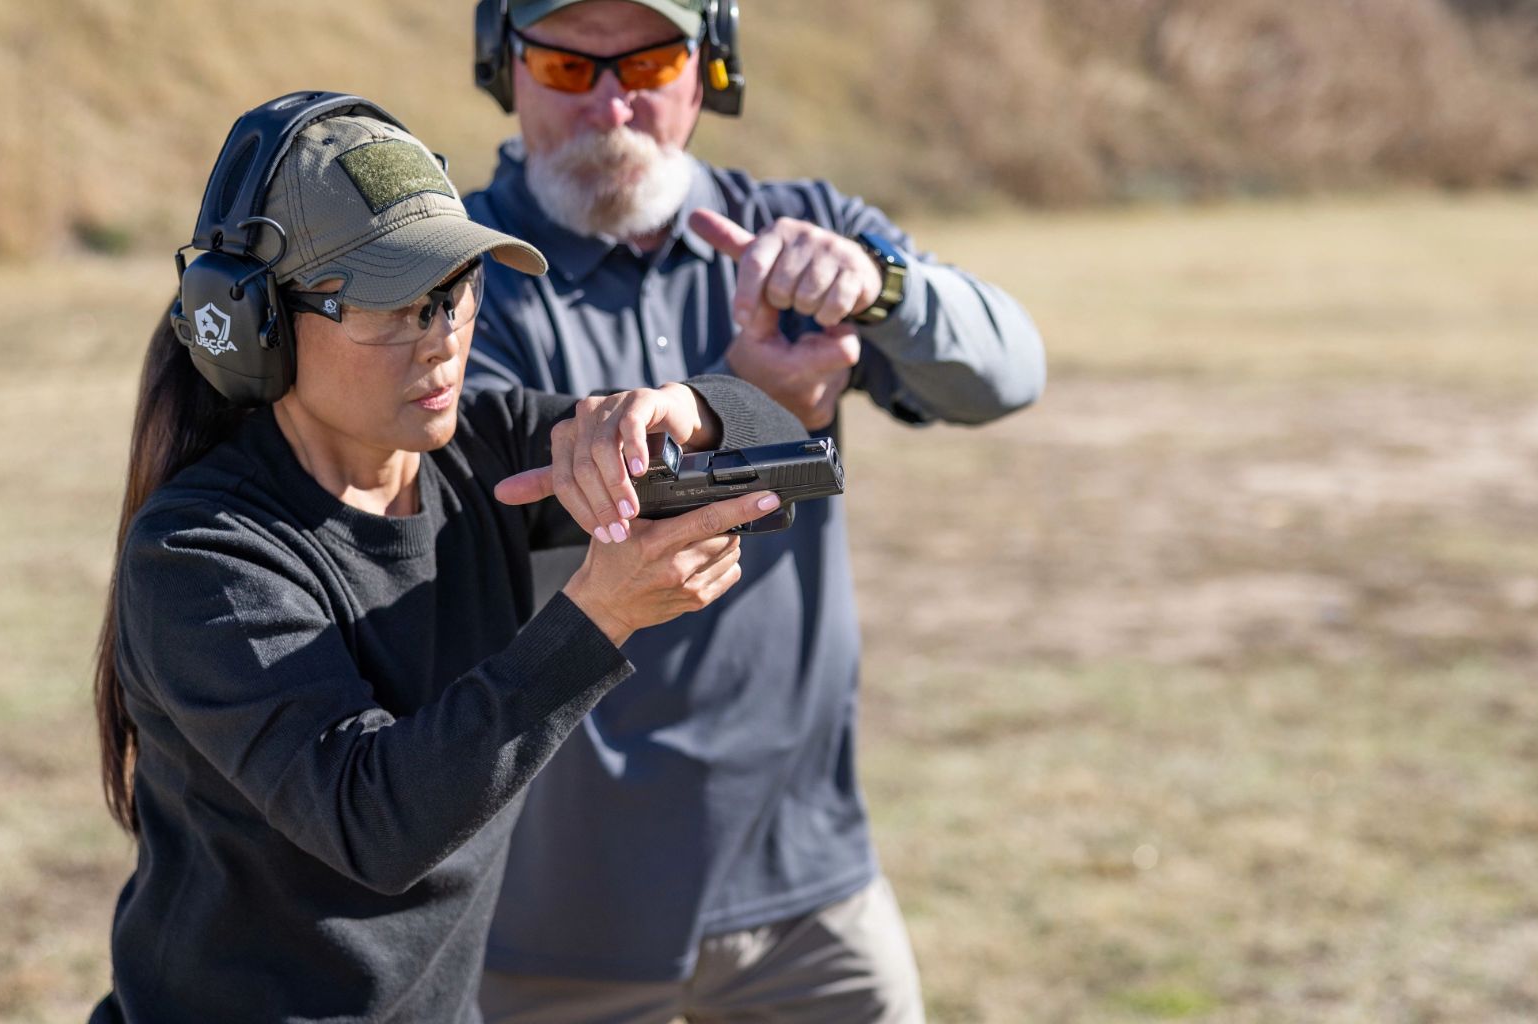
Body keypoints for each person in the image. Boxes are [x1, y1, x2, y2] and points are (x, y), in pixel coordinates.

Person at [88, 101, 805, 1023]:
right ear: (259, 323)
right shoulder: (199, 553)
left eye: (457, 289)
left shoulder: (482, 449)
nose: (442, 336)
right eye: (393, 305)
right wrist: (601, 616)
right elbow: (375, 823)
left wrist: (688, 416)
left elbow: (786, 462)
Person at [463, 2, 1048, 1021]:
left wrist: (882, 290)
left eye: (650, 62)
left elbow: (1009, 371)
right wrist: (747, 404)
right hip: (557, 898)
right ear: (504, 68)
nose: (612, 103)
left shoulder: (800, 226)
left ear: (709, 68)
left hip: (805, 878)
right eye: (567, 65)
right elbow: (497, 498)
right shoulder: (460, 272)